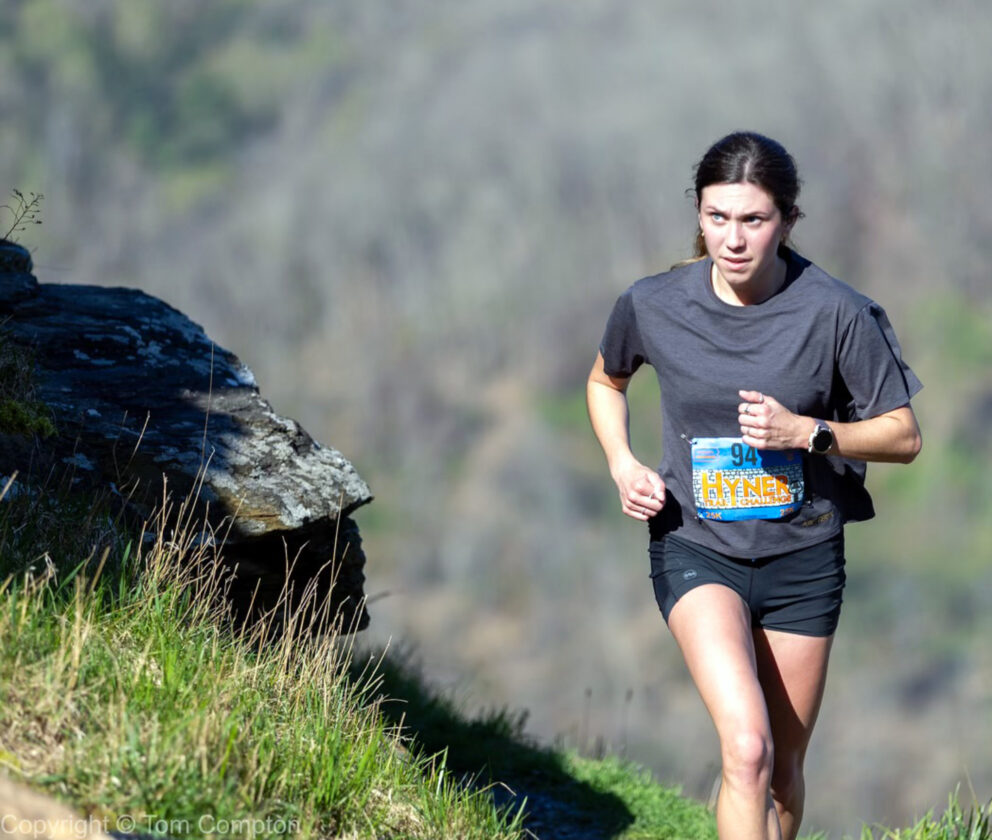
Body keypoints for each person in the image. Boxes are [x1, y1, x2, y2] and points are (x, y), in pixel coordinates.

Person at [586, 131, 922, 840]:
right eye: (717, 217)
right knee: (747, 749)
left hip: (803, 556)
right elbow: (604, 380)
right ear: (698, 214)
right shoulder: (652, 304)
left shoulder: (837, 312)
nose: (732, 239)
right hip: (695, 543)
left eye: (753, 220)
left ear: (788, 220)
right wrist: (623, 461)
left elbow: (903, 434)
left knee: (784, 771)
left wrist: (809, 433)